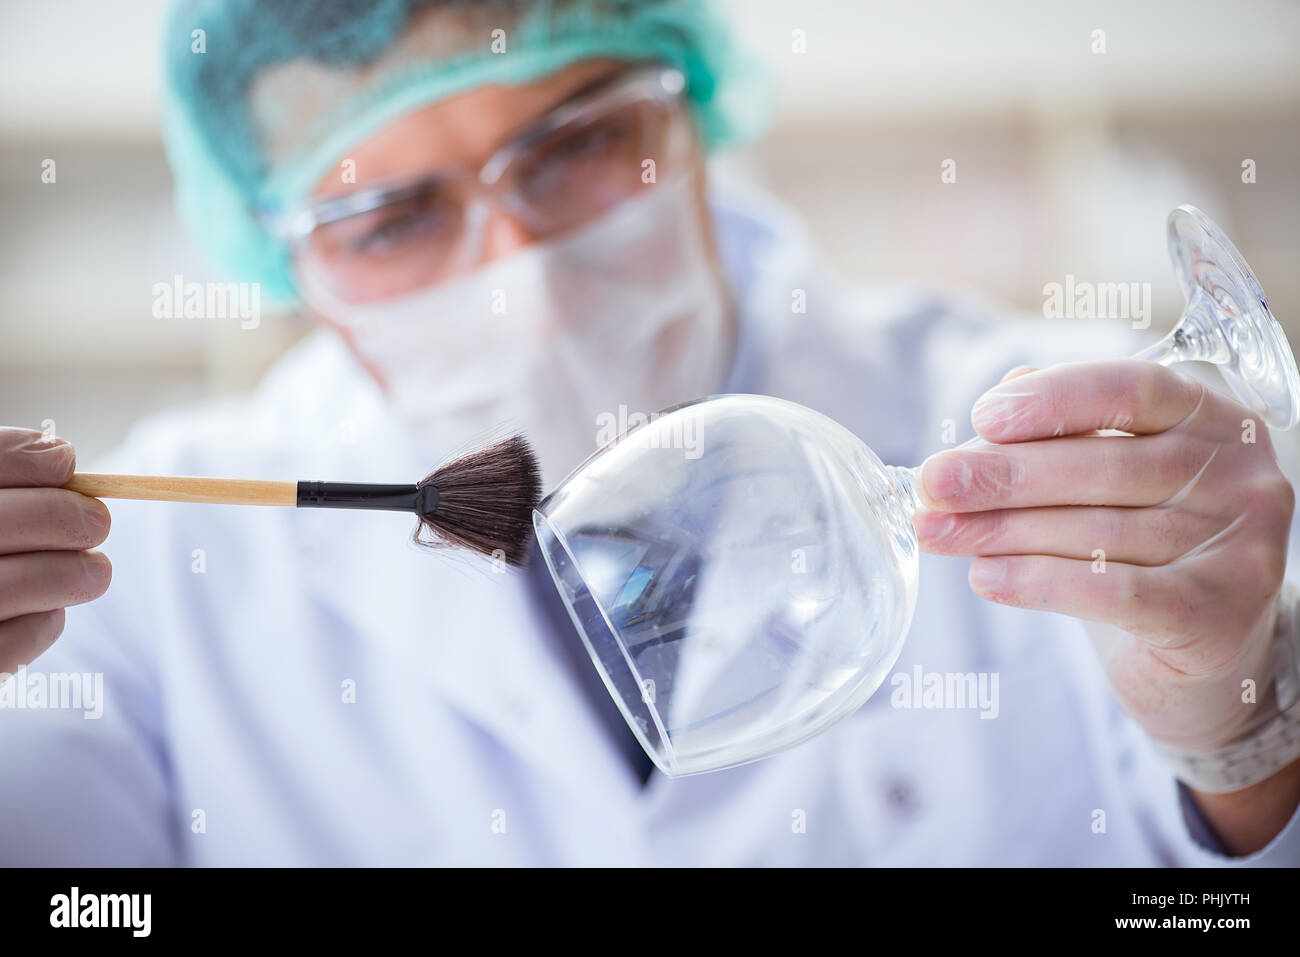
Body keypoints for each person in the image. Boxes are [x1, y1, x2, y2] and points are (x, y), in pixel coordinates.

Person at [1, 0, 1297, 866]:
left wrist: (1235, 727)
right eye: (393, 219)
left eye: (581, 144)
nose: (527, 271)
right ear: (286, 271)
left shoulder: (1064, 428)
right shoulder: (155, 558)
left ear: (692, 119)